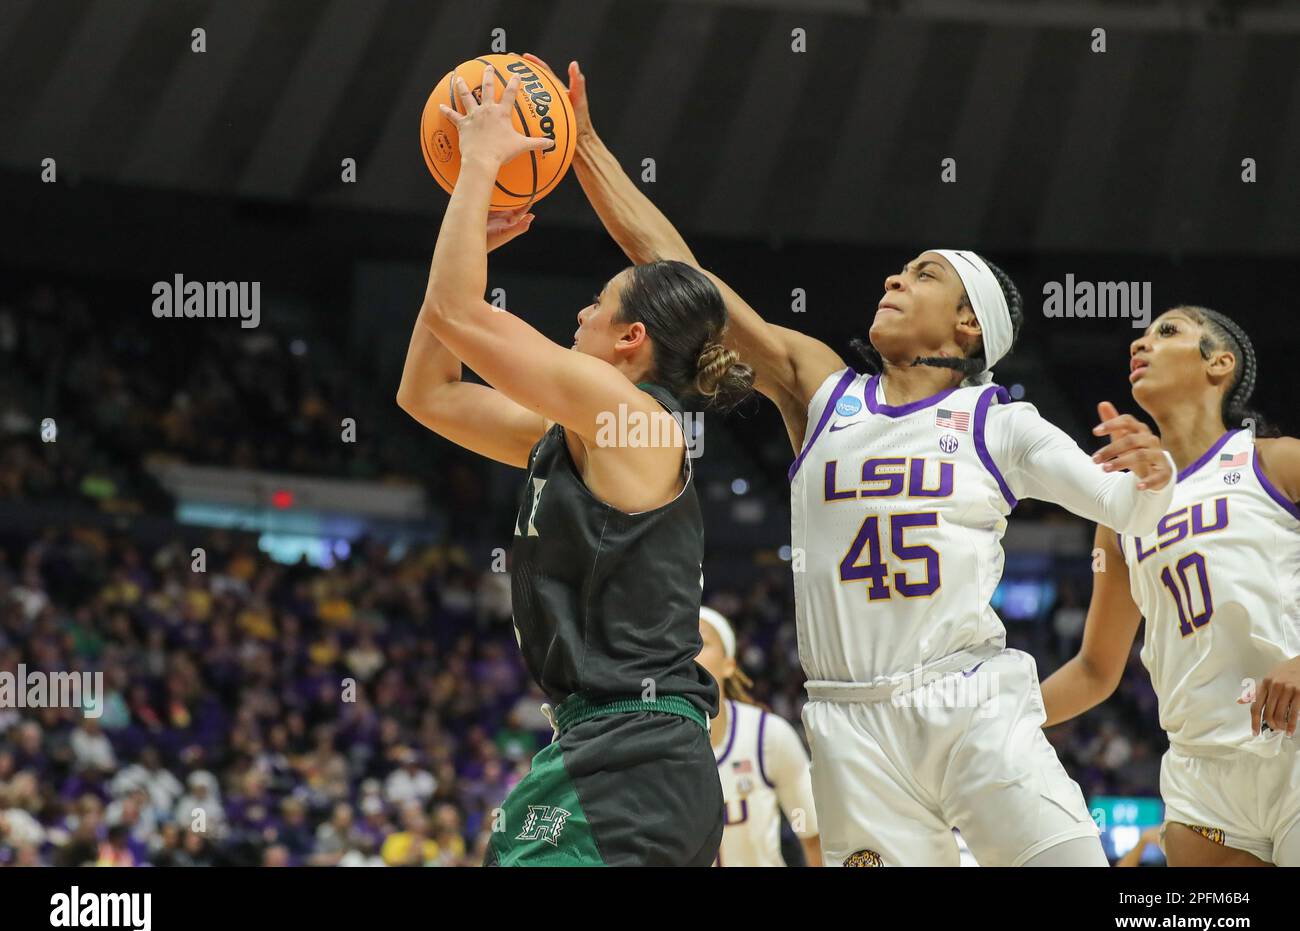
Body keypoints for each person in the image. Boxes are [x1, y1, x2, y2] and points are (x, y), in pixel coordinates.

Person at [535, 53, 1176, 866]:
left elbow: (1124, 509)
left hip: (972, 704)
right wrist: (584, 147)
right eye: (901, 269)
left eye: (923, 275)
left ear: (969, 327)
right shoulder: (821, 390)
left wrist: (1154, 472)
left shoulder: (999, 423)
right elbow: (678, 273)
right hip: (846, 726)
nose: (893, 278)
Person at [397, 68, 753, 865]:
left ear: (631, 341)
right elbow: (427, 392)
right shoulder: (585, 431)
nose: (581, 313)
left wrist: (481, 164)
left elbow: (461, 314)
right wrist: (466, 237)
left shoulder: (632, 419)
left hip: (630, 756)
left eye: (598, 303)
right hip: (621, 754)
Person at [1042, 306, 1300, 866]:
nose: (1141, 342)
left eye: (1167, 332)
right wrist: (995, 721)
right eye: (1140, 335)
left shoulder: (1277, 463)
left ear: (1220, 363)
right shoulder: (1120, 509)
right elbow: (1094, 669)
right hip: (1200, 777)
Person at [696, 607, 821, 866]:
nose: (689, 653)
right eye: (681, 643)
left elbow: (812, 836)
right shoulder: (653, 744)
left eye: (700, 642)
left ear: (729, 664)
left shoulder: (767, 735)